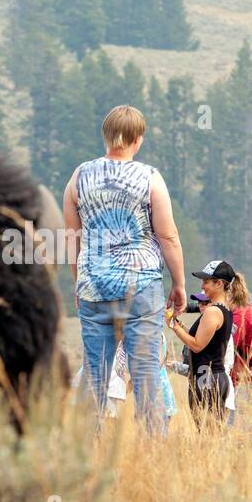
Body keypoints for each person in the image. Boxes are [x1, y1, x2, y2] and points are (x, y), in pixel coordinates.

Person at [64, 106, 187, 434]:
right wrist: (178, 283)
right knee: (145, 367)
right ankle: (153, 445)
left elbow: (72, 239)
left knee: (95, 369)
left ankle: (87, 446)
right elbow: (168, 235)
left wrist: (80, 282)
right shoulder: (149, 178)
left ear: (106, 136)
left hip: (94, 286)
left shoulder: (78, 177)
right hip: (141, 284)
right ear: (137, 139)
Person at [168, 260, 235, 423]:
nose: (202, 286)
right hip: (210, 376)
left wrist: (174, 327)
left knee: (207, 433)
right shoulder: (223, 309)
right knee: (210, 432)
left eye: (206, 281)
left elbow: (197, 345)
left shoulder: (212, 311)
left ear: (219, 283)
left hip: (207, 377)